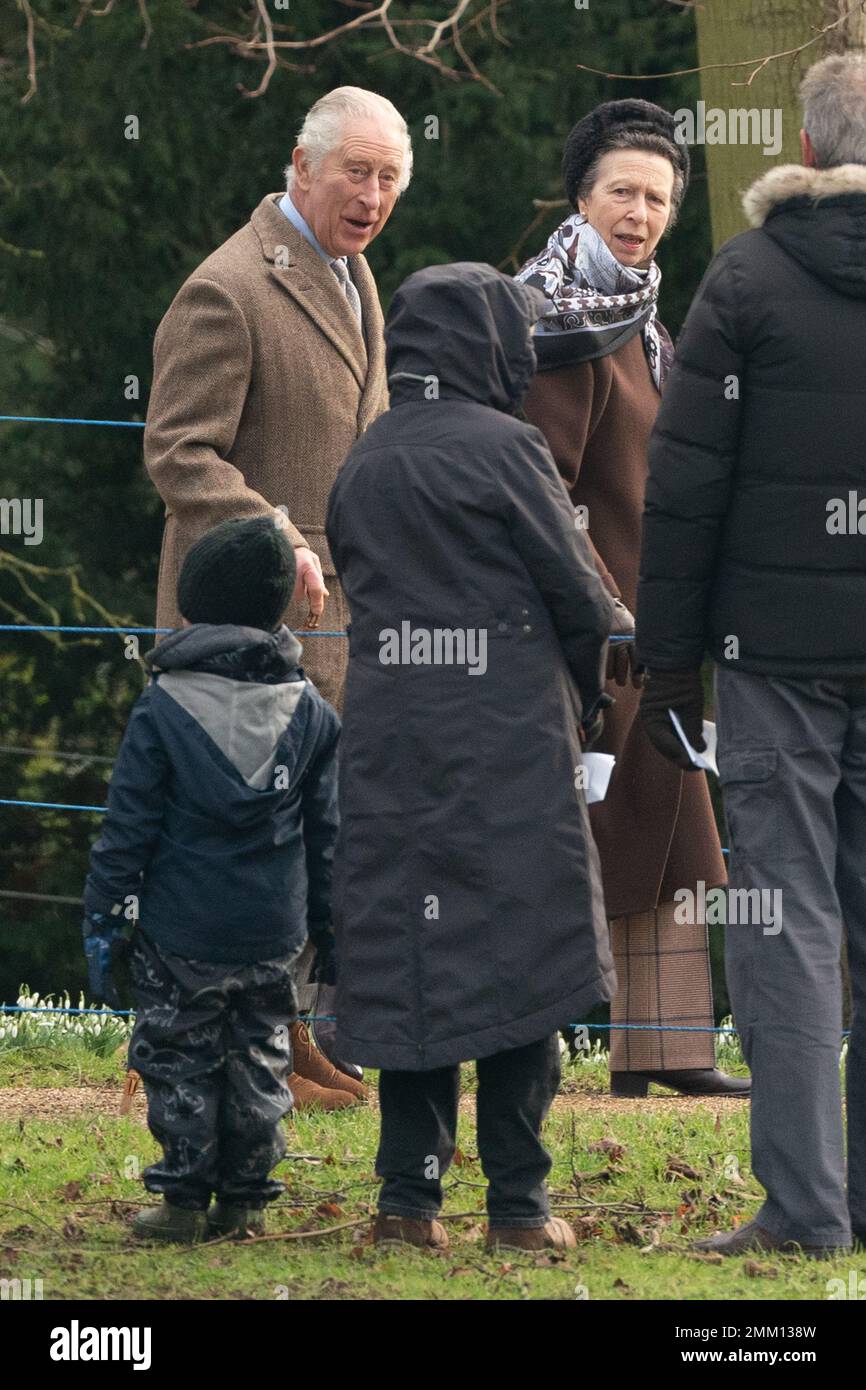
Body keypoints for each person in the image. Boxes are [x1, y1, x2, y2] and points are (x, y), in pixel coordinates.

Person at [326, 262, 617, 1253]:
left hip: (389, 746)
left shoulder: (362, 460)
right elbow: (578, 596)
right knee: (517, 957)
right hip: (506, 743)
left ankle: (405, 1205)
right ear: (491, 346)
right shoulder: (508, 450)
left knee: (412, 960)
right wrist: (601, 685)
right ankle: (518, 1210)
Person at [636, 54, 866, 1257]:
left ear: (807, 148)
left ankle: (803, 1210)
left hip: (771, 660)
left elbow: (681, 491)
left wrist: (668, 663)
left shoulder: (745, 277)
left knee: (784, 928)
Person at [143, 86, 412, 1096]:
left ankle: (280, 1031)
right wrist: (265, 530)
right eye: (356, 171)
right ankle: (204, 1041)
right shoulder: (229, 287)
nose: (373, 194)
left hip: (332, 621)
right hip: (241, 624)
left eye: (388, 178)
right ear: (301, 166)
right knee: (232, 832)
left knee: (306, 825)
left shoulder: (355, 276)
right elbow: (177, 452)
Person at [515, 100, 746, 1099]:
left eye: (656, 197)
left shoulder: (640, 320)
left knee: (673, 817)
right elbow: (541, 488)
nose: (639, 212)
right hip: (584, 626)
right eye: (621, 191)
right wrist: (601, 611)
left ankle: (663, 1050)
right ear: (580, 196)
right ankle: (506, 1039)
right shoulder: (553, 325)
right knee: (573, 833)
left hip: (650, 624)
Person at [82, 516, 353, 1244]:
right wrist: (331, 928)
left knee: (179, 1059)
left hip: (180, 933)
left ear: (192, 604)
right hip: (272, 931)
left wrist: (105, 922)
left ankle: (182, 1199)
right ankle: (246, 1200)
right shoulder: (313, 714)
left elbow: (127, 832)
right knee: (262, 1056)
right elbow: (329, 838)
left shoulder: (161, 708)